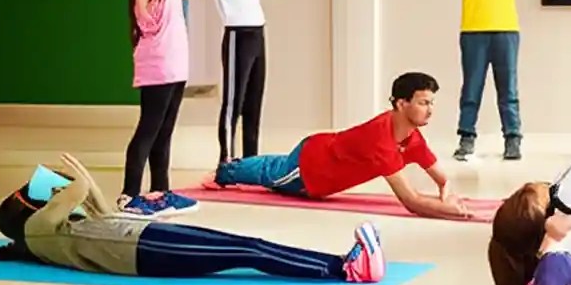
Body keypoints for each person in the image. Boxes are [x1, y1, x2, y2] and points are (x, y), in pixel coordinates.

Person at [0, 154, 385, 283]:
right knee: (247, 253)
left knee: (249, 245)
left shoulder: (64, 228)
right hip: (141, 252)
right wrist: (71, 178)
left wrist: (81, 176)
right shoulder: (39, 231)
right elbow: (76, 191)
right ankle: (345, 270)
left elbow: (101, 206)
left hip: (141, 236)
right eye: (35, 194)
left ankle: (344, 264)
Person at [203, 72, 476, 220]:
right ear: (401, 104)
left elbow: (442, 178)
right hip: (311, 166)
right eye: (423, 103)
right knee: (271, 174)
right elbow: (411, 201)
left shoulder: (412, 138)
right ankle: (226, 171)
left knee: (274, 169)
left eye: (432, 103)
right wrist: (449, 211)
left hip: (323, 168)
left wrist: (446, 193)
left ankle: (237, 166)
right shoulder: (381, 140)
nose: (430, 110)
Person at [120, 0, 199, 218]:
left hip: (175, 66)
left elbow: (161, 3)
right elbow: (144, 12)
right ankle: (129, 195)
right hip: (159, 68)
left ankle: (161, 192)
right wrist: (154, 4)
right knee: (148, 131)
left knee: (164, 133)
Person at [197, 0, 285, 165]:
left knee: (254, 100)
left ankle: (250, 158)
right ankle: (226, 158)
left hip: (257, 36)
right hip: (238, 37)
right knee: (234, 100)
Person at [446, 0, 526, 162]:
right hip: (473, 29)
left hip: (506, 29)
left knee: (508, 89)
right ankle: (466, 138)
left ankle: (512, 139)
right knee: (472, 87)